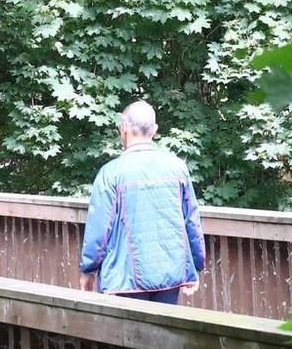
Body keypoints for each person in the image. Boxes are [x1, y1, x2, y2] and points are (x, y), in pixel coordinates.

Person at [78, 100, 207, 304]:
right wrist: (196, 265)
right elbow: (191, 220)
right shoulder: (177, 167)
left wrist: (88, 268)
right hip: (170, 274)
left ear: (124, 128)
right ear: (154, 130)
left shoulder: (111, 173)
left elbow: (100, 229)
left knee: (125, 335)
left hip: (123, 280)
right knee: (165, 333)